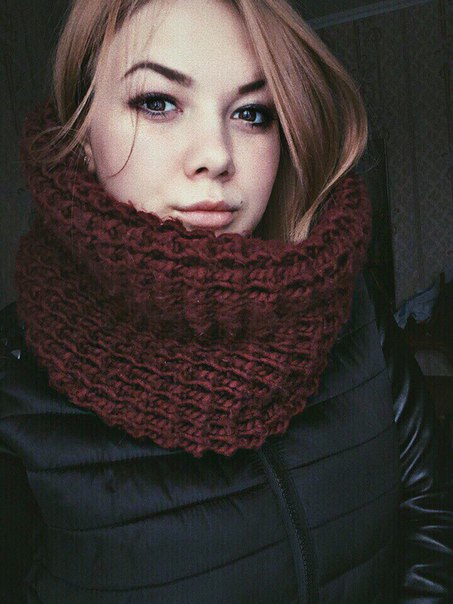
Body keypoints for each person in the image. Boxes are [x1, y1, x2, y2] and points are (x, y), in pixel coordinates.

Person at [0, 0, 451, 602]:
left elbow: (430, 516)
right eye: (157, 102)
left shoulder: (349, 306)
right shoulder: (13, 383)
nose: (216, 155)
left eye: (251, 113)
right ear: (82, 137)